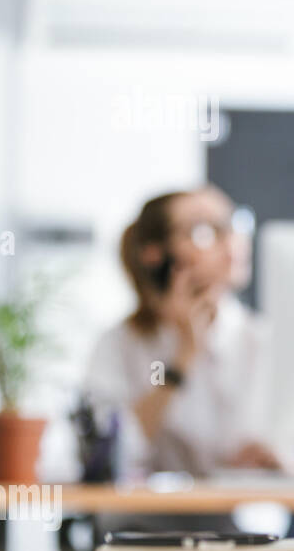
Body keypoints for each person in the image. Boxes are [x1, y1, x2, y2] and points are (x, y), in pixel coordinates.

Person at [84, 185, 282, 479]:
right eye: (204, 231)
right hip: (143, 520)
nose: (231, 241)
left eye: (233, 225)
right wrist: (182, 359)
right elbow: (109, 455)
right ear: (155, 253)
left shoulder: (261, 340)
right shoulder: (121, 343)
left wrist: (280, 461)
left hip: (242, 518)